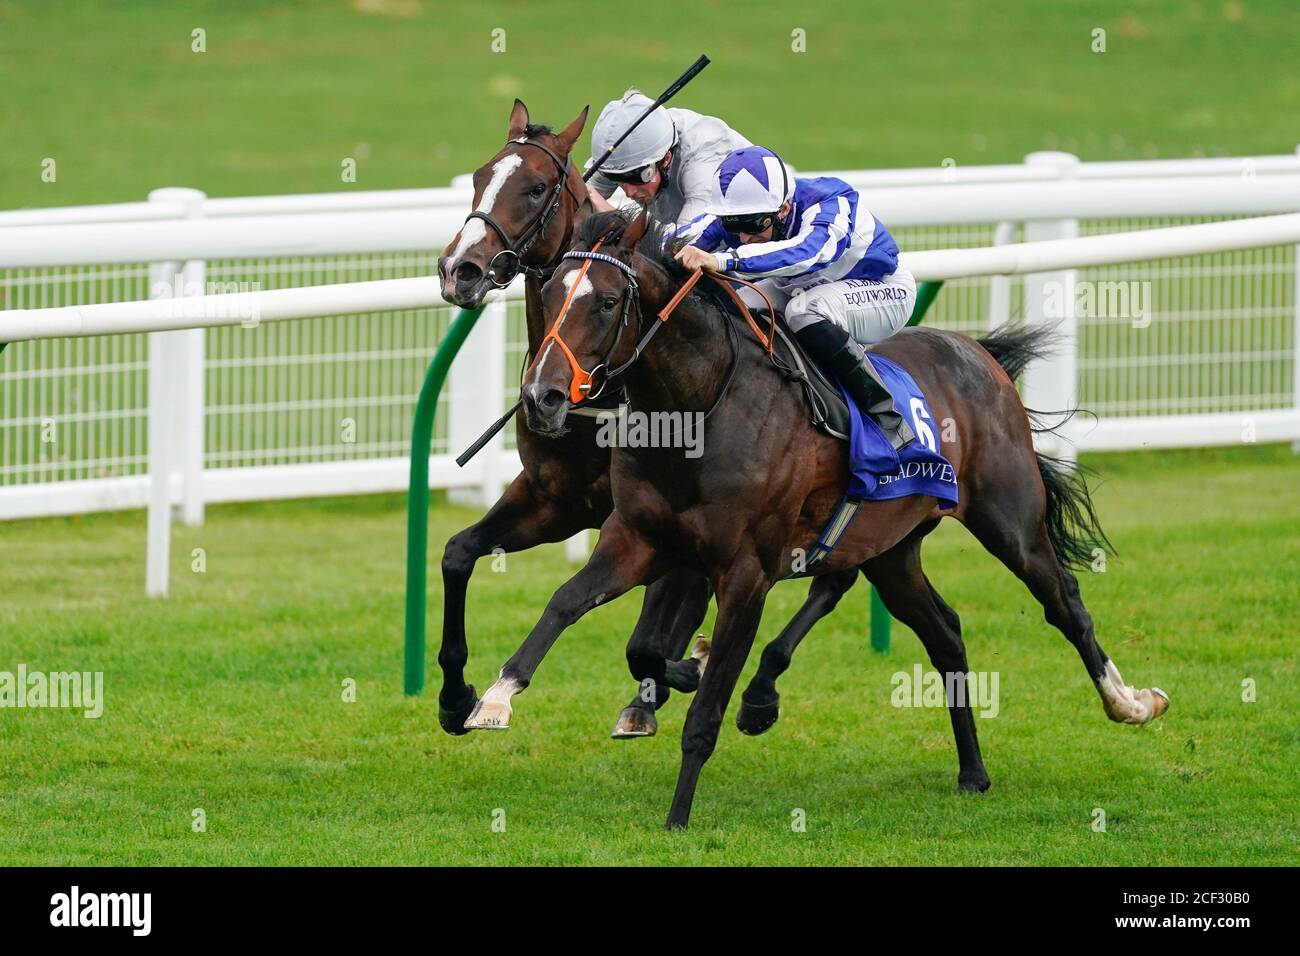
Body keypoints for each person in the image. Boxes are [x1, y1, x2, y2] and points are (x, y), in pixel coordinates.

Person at [673, 145, 916, 450]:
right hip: (802, 285)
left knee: (805, 311)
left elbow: (809, 253)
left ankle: (886, 419)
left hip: (880, 289)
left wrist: (725, 260)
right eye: (734, 226)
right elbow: (678, 242)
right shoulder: (739, 211)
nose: (744, 236)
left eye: (753, 225)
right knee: (736, 308)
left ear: (783, 210)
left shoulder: (831, 201)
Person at [585, 90, 752, 239]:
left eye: (637, 177)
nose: (629, 192)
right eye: (616, 179)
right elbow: (577, 200)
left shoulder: (704, 160)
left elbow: (682, 243)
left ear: (666, 158)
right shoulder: (633, 153)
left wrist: (617, 219)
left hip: (757, 249)